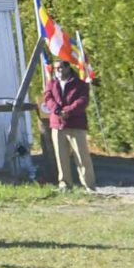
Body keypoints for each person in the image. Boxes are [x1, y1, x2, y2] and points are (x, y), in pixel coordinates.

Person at [41, 59, 95, 190]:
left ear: (67, 68)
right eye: (55, 69)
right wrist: (57, 110)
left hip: (75, 124)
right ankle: (65, 184)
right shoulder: (52, 83)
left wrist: (68, 111)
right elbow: (48, 98)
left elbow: (83, 100)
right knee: (61, 157)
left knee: (82, 156)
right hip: (57, 125)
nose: (58, 71)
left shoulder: (79, 84)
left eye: (60, 68)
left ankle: (88, 185)